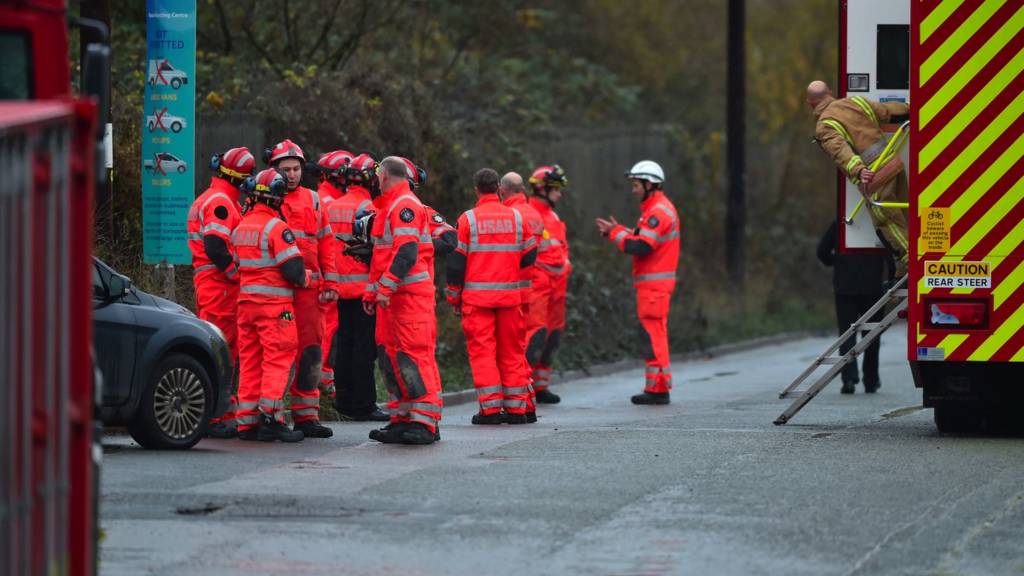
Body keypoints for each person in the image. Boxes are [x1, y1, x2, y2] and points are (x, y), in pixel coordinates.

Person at [447, 168, 537, 425]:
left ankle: (490, 411)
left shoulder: (468, 220)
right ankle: (517, 410)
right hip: (510, 298)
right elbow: (530, 253)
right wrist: (510, 268)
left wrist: (454, 298)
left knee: (483, 354)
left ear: (476, 189)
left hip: (477, 301)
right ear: (498, 187)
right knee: (512, 353)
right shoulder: (517, 218)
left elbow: (456, 264)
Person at [364, 156, 442, 445]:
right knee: (391, 358)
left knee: (414, 357)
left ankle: (424, 421)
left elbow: (407, 253)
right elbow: (381, 258)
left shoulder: (405, 205)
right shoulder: (388, 208)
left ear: (384, 175)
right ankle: (402, 418)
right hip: (392, 300)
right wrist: (372, 292)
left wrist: (383, 289)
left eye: (377, 175)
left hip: (409, 299)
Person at [265, 139, 339, 438]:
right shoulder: (266, 198)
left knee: (311, 351)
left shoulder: (314, 199)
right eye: (286, 169)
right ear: (275, 170)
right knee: (279, 352)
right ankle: (272, 415)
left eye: (296, 169)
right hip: (278, 290)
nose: (292, 174)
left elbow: (326, 243)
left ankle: (307, 416)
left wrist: (331, 281)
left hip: (310, 291)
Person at [232, 168, 311, 442]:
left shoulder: (241, 227)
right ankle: (271, 416)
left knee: (251, 361)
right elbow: (294, 271)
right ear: (277, 198)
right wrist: (308, 277)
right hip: (275, 307)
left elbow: (237, 264)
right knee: (279, 358)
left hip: (246, 305)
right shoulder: (277, 227)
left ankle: (247, 421)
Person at [596, 160, 680, 405]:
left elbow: (641, 246)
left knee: (652, 336)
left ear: (649, 184)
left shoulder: (657, 212)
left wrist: (614, 234)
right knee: (654, 336)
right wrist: (619, 229)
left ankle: (658, 389)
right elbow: (642, 237)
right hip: (654, 287)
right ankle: (657, 387)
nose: (633, 190)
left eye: (636, 184)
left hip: (654, 288)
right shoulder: (656, 209)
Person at [806, 80, 910, 273]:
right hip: (894, 165)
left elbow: (840, 151)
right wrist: (912, 108)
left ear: (810, 103)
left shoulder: (825, 125)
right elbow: (887, 110)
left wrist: (859, 170)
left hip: (874, 174)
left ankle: (912, 261)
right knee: (905, 216)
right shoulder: (856, 102)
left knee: (886, 219)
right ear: (830, 92)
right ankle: (910, 263)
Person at [187, 146, 255, 438]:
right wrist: (236, 276)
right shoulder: (221, 203)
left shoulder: (214, 197)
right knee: (223, 350)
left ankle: (223, 411)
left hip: (212, 285)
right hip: (220, 288)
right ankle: (219, 416)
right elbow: (216, 246)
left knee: (221, 348)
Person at [325, 152, 389, 422]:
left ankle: (344, 399)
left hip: (338, 289)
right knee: (364, 349)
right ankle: (365, 404)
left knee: (344, 346)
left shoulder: (329, 207)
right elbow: (379, 250)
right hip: (364, 290)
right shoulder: (372, 209)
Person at [817, 220, 893, 394]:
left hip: (845, 287)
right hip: (873, 287)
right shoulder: (878, 223)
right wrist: (890, 279)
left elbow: (821, 251)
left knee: (846, 334)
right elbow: (891, 254)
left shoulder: (839, 224)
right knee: (872, 335)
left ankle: (849, 378)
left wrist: (836, 262)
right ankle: (871, 380)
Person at [499, 171, 544, 423]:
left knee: (514, 351)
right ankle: (526, 403)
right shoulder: (534, 215)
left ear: (503, 191)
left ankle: (523, 405)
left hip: (510, 291)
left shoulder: (514, 216)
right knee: (519, 349)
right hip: (530, 289)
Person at [526, 164, 570, 404]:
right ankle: (524, 385)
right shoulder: (530, 213)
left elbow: (560, 247)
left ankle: (541, 385)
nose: (559, 193)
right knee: (535, 333)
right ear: (542, 189)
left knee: (553, 335)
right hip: (539, 283)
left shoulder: (552, 215)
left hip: (558, 284)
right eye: (556, 188)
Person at [315, 149, 353, 403]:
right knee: (326, 331)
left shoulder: (328, 199)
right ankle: (322, 383)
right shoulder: (328, 202)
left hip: (332, 276)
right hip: (328, 277)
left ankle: (325, 382)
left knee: (330, 330)